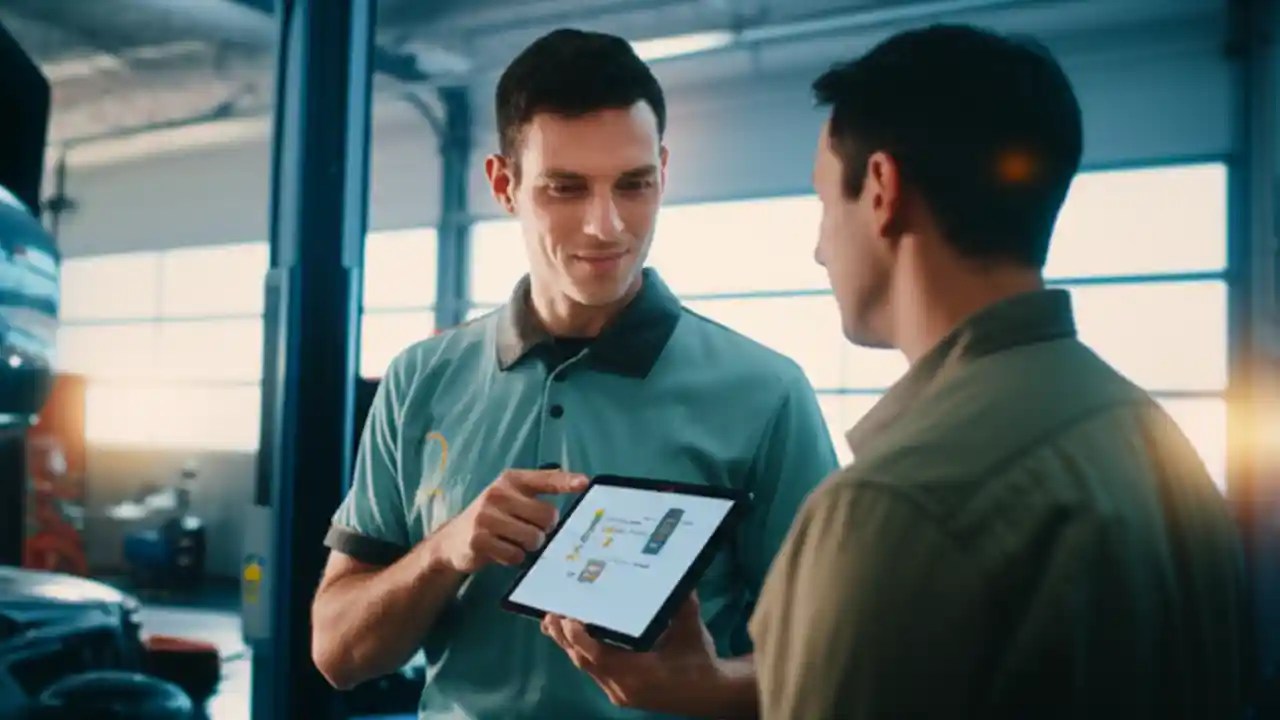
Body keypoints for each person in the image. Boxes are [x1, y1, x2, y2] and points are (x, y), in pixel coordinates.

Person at [543, 23, 1248, 720]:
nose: (820, 249)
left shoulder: (892, 505)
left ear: (882, 189)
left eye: (826, 203)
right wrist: (710, 689)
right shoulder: (1154, 442)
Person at [309, 27, 838, 720]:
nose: (605, 226)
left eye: (633, 184)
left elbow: (838, 664)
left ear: (663, 173)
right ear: (504, 185)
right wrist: (442, 553)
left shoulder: (766, 394)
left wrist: (707, 686)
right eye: (565, 188)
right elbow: (339, 655)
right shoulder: (419, 380)